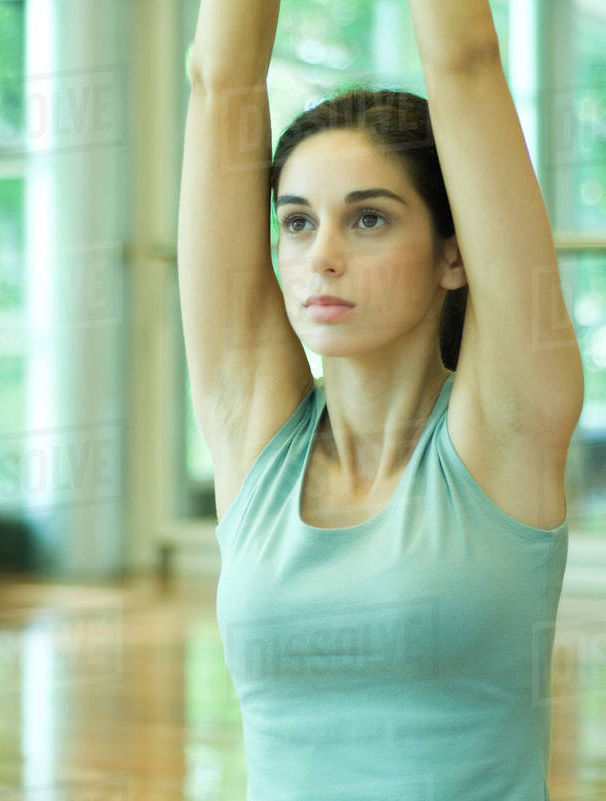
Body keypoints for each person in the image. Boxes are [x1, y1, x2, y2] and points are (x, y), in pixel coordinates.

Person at [178, 1, 584, 799]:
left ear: (453, 255)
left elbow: (464, 56)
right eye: (297, 222)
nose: (320, 256)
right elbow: (219, 83)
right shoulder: (255, 436)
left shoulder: (506, 427)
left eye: (367, 218)